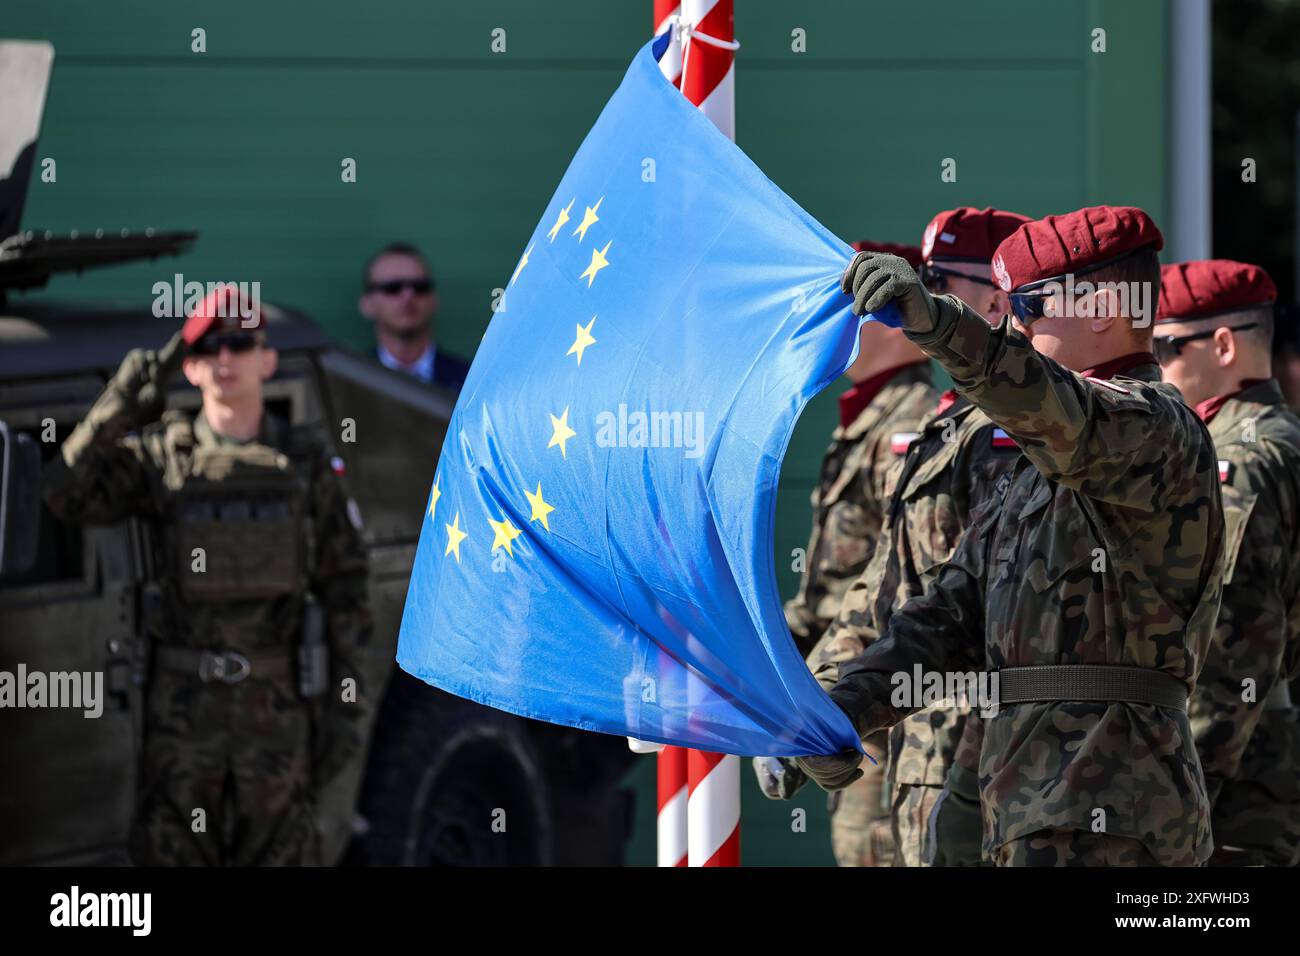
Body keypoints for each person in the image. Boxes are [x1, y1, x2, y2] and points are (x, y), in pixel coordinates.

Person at [802, 205, 1224, 867]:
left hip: (1119, 809)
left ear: (1104, 307)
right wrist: (840, 712)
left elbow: (1062, 411)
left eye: (1030, 304)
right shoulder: (1029, 465)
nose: (1016, 322)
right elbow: (949, 617)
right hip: (1023, 809)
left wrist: (937, 322)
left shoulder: (1156, 428)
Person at [43, 286, 372, 865]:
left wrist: (343, 716)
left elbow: (346, 589)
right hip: (182, 716)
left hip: (276, 715)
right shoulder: (164, 455)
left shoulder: (305, 459)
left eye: (242, 345)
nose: (226, 360)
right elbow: (64, 494)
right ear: (190, 368)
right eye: (211, 348)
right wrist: (122, 402)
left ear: (267, 360)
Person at [805, 207, 1028, 868]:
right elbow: (881, 586)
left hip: (976, 753)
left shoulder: (1021, 432)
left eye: (939, 282)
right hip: (907, 736)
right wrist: (821, 701)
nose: (916, 301)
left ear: (996, 299)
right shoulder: (944, 425)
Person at [758, 239, 937, 867]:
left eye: (850, 307)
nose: (833, 324)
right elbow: (831, 583)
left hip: (878, 703)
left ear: (890, 324)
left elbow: (900, 584)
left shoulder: (908, 424)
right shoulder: (867, 416)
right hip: (844, 687)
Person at [1155, 259, 1300, 866]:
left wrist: (1181, 795)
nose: (1156, 366)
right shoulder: (1259, 438)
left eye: (1166, 346)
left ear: (1222, 345)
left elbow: (1235, 642)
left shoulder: (1239, 458)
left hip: (1234, 779)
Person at [359, 242, 469, 390]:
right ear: (367, 304)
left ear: (434, 301)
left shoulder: (469, 382)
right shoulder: (352, 379)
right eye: (392, 287)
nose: (408, 296)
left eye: (420, 287)